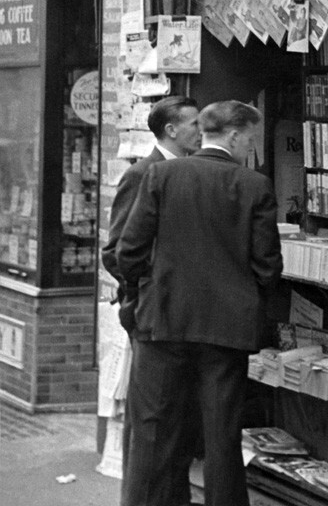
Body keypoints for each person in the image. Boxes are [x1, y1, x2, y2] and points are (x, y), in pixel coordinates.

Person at [117, 100, 283, 506]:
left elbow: (128, 252)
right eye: (249, 139)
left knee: (153, 436)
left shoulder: (160, 175)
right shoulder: (253, 185)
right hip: (226, 332)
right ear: (234, 135)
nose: (250, 147)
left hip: (163, 323)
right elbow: (267, 266)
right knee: (221, 439)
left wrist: (145, 294)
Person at [101, 95, 201, 506]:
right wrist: (145, 292)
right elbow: (117, 251)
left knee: (177, 427)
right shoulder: (142, 174)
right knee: (151, 427)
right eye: (194, 123)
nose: (201, 129)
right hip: (151, 316)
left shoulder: (193, 172)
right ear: (171, 130)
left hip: (183, 319)